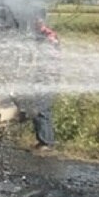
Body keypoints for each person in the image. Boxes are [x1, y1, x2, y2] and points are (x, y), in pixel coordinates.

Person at [30, 17, 60, 150]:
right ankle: (46, 141)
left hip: (47, 78)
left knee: (41, 109)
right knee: (43, 109)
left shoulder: (48, 36)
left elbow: (49, 55)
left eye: (37, 23)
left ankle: (46, 142)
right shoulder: (41, 35)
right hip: (44, 78)